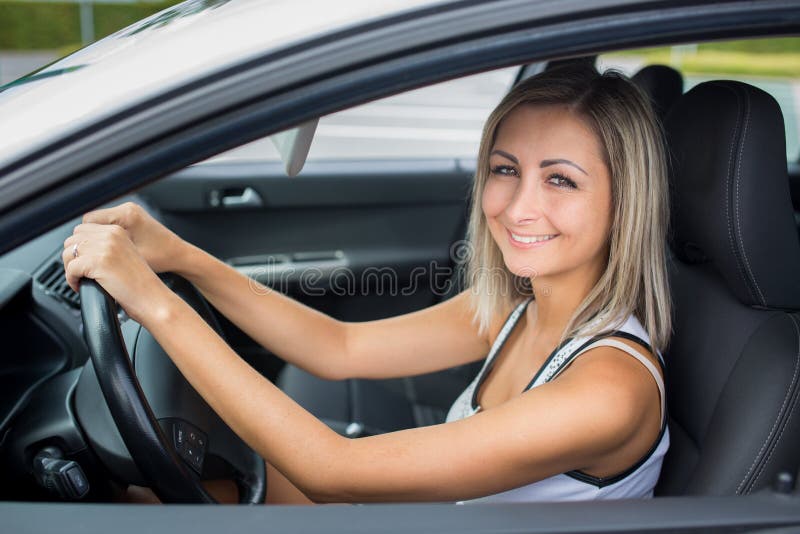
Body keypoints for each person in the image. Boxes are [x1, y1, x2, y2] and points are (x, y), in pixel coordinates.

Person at [62, 64, 671, 504]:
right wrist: (180, 256)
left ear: (624, 205)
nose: (517, 209)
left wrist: (156, 303)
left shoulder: (610, 389)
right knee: (153, 495)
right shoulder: (518, 305)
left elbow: (333, 469)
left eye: (560, 180)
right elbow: (338, 348)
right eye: (505, 170)